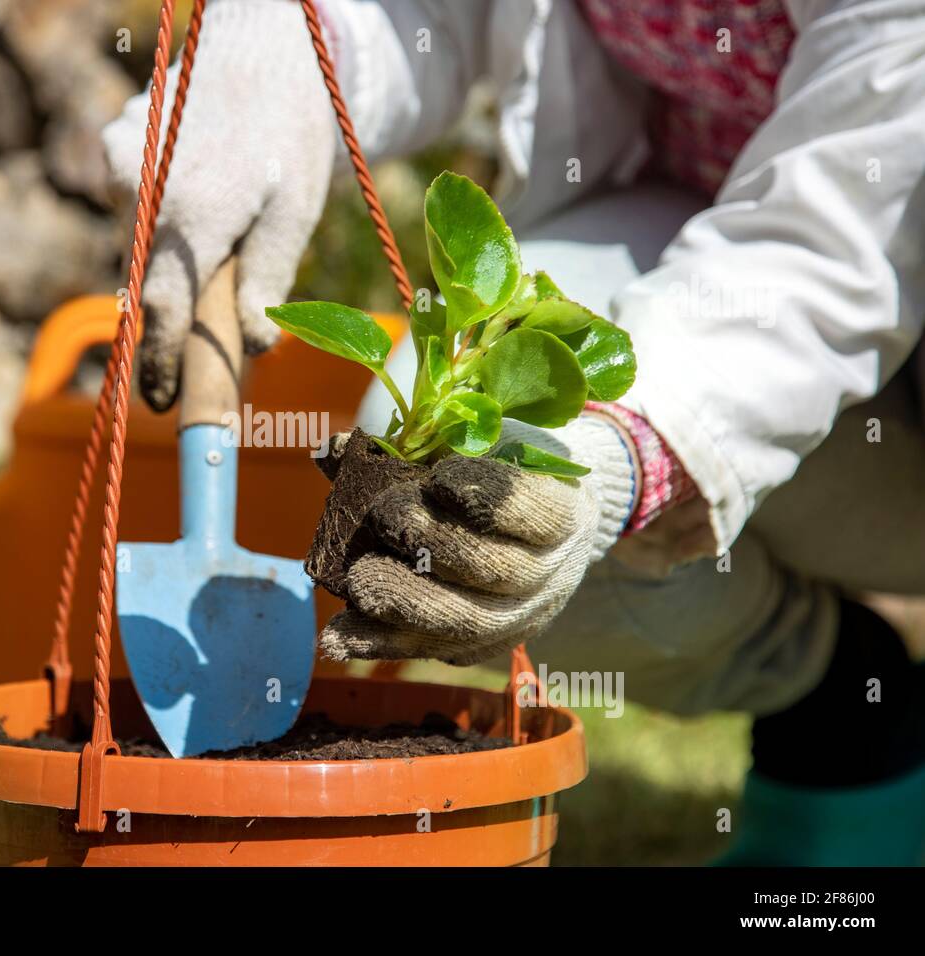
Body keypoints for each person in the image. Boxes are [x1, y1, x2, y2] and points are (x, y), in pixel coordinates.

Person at [102, 0, 925, 864]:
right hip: (710, 256)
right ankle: (845, 708)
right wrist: (288, 56)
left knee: (514, 505)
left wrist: (618, 462)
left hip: (861, 297)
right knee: (446, 470)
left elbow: (844, 228)